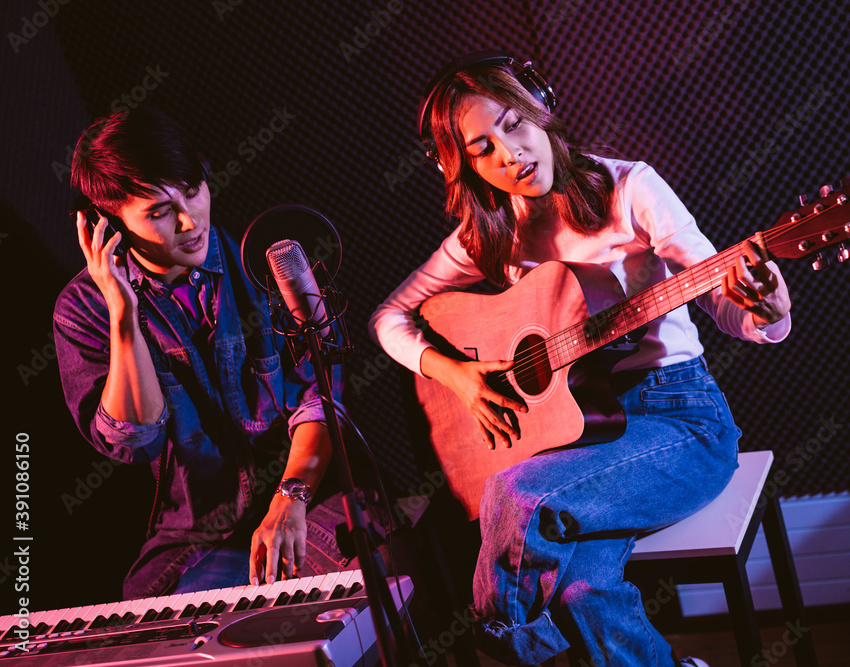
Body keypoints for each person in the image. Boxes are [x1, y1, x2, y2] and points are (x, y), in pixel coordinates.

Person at [369, 53, 792, 666]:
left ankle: (502, 647)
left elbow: (723, 300)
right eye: (483, 148)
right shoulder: (487, 232)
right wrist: (456, 375)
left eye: (514, 124)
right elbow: (389, 319)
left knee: (518, 494)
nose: (510, 154)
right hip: (575, 435)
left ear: (541, 110)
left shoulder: (629, 188)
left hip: (680, 421)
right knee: (580, 587)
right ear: (464, 166)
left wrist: (765, 307)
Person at [54, 106, 356, 600]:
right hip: (196, 532)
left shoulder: (261, 261)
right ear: (108, 226)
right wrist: (124, 314)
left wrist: (291, 496)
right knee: (151, 620)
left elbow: (321, 396)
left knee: (323, 601)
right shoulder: (83, 310)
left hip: (309, 490)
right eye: (157, 212)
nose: (188, 221)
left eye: (192, 191)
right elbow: (135, 441)